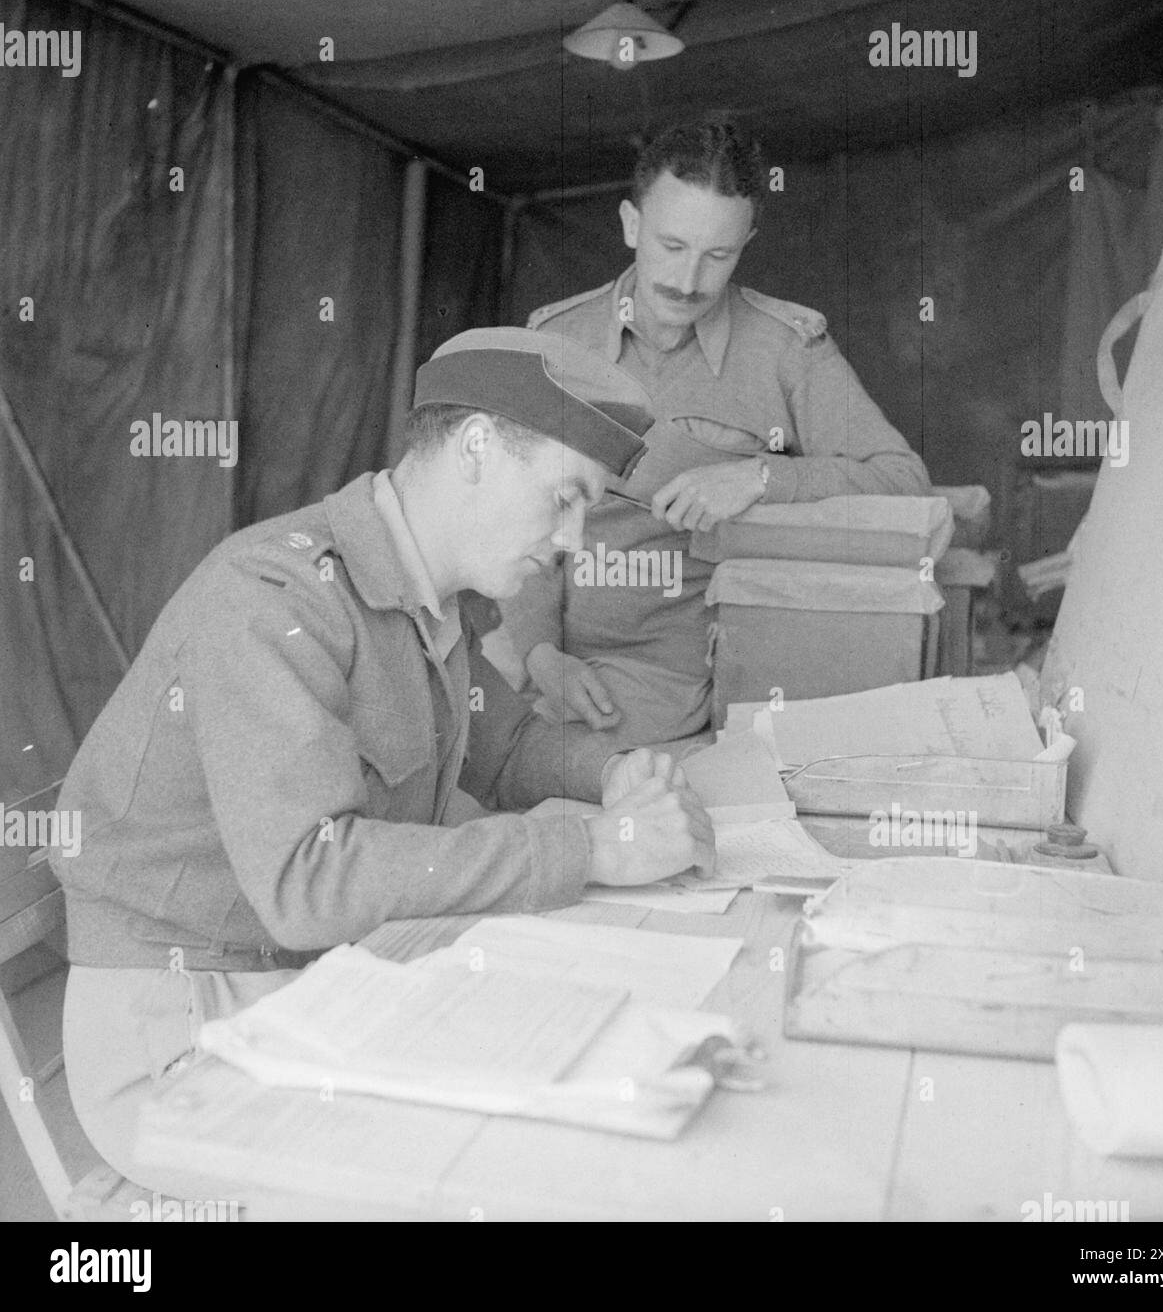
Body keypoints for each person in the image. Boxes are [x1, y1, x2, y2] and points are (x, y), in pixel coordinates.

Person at [52, 326, 714, 1191]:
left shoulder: (420, 596)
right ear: (476, 447)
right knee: (510, 1167)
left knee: (582, 1088)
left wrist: (609, 775)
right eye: (563, 496)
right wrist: (592, 850)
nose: (574, 539)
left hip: (307, 989)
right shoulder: (272, 597)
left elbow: (501, 739)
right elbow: (308, 882)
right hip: (181, 1033)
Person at [500, 118, 931, 747]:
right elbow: (519, 514)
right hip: (541, 648)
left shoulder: (787, 349)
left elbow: (902, 479)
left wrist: (759, 477)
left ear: (747, 242)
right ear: (630, 225)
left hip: (673, 674)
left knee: (557, 785)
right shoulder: (554, 341)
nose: (688, 280)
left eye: (718, 255)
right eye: (671, 246)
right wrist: (539, 653)